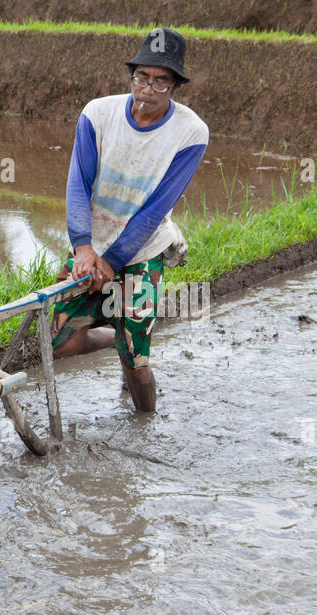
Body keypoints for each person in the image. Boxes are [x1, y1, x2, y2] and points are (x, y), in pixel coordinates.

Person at [51, 27, 209, 412]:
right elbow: (78, 184)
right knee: (61, 343)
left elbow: (156, 209)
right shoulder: (97, 114)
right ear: (132, 76)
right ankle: (114, 335)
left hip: (143, 248)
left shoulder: (190, 133)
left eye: (161, 81)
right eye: (142, 77)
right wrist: (84, 247)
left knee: (137, 361)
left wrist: (113, 261)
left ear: (174, 85)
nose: (148, 89)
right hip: (94, 242)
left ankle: (145, 423)